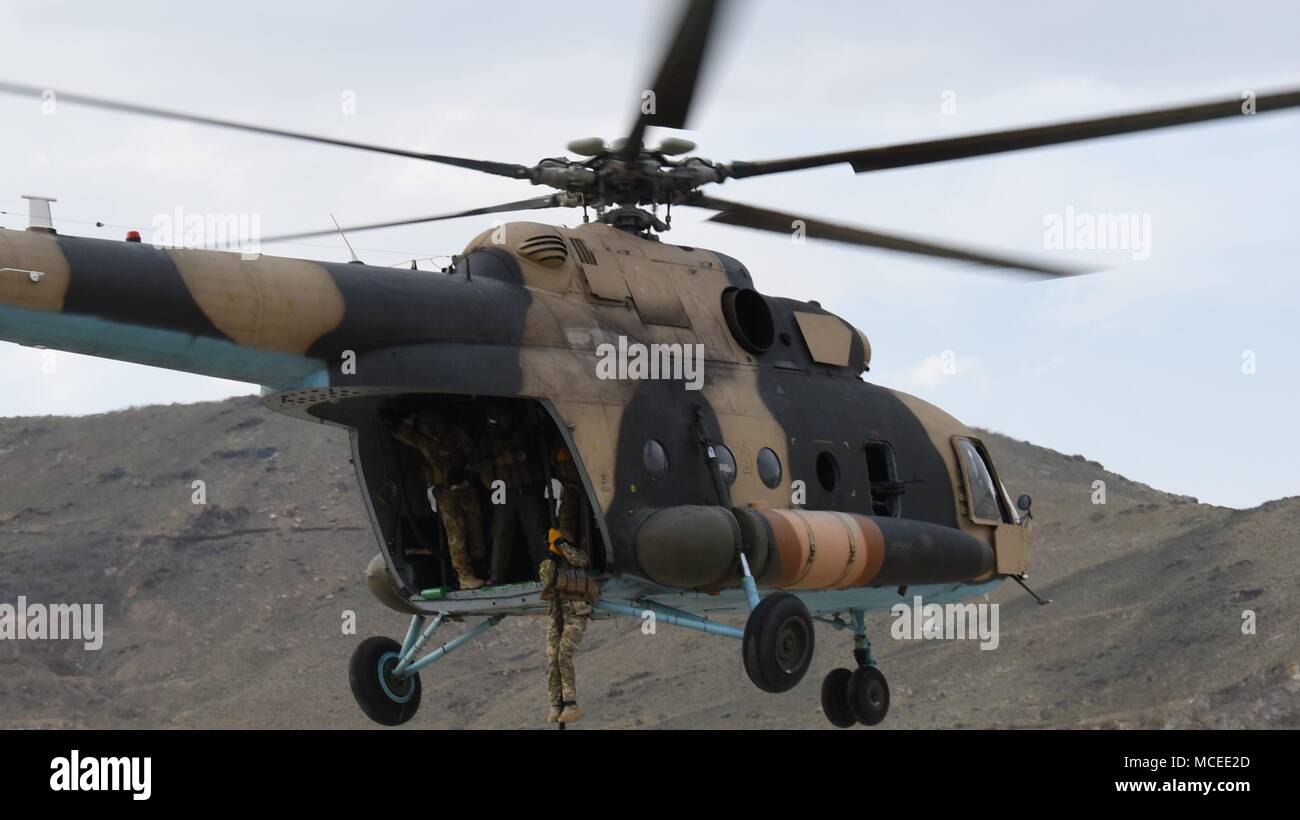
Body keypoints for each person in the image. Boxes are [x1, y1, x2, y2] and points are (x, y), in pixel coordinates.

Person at [392, 409, 487, 590]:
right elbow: (402, 434)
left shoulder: (456, 435)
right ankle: (465, 576)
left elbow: (475, 455)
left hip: (465, 487)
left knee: (476, 530)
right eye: (427, 426)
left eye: (436, 425)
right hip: (444, 491)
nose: (432, 430)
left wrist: (466, 469)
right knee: (456, 534)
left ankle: (480, 570)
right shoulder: (423, 441)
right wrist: (410, 416)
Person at [539, 442, 596, 723]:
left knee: (563, 656)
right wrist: (552, 553)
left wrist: (561, 545)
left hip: (576, 612)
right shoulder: (555, 559)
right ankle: (555, 704)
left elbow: (582, 561)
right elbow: (546, 577)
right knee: (552, 658)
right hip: (557, 611)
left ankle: (571, 703)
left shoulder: (580, 551)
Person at [476, 402, 549, 585]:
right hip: (503, 489)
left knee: (536, 532)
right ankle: (497, 575)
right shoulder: (486, 440)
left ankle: (543, 572)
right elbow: (478, 464)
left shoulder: (523, 433)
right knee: (501, 533)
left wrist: (521, 456)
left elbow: (538, 451)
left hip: (526, 487)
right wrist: (500, 461)